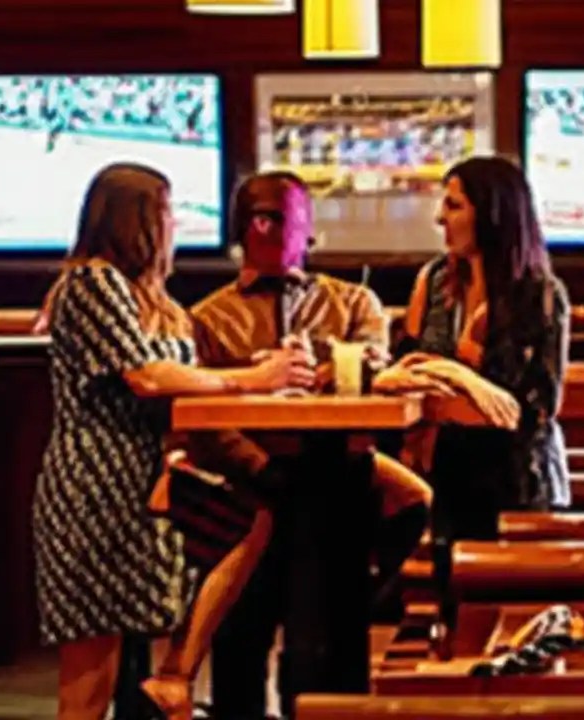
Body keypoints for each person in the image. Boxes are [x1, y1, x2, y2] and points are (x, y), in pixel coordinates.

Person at [31, 163, 314, 719]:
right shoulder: (93, 281)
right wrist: (255, 380)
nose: (175, 222)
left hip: (144, 477)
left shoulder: (149, 295)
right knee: (89, 679)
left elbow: (186, 374)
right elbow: (148, 376)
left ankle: (173, 678)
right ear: (135, 218)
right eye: (166, 210)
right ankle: (172, 679)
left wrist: (258, 374)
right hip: (95, 484)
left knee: (251, 520)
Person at [186, 171, 433, 719]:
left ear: (310, 229)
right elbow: (196, 417)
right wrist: (258, 466)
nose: (265, 227)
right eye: (256, 216)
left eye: (280, 215)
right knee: (239, 642)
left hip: (337, 483)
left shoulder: (353, 303)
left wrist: (340, 372)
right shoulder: (205, 317)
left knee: (329, 645)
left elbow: (378, 375)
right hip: (246, 493)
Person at [376, 155, 571, 542]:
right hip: (442, 473)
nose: (439, 218)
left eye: (454, 206)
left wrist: (448, 375)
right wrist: (459, 377)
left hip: (516, 482)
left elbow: (528, 412)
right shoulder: (433, 281)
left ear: (493, 213)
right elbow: (401, 373)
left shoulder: (540, 296)